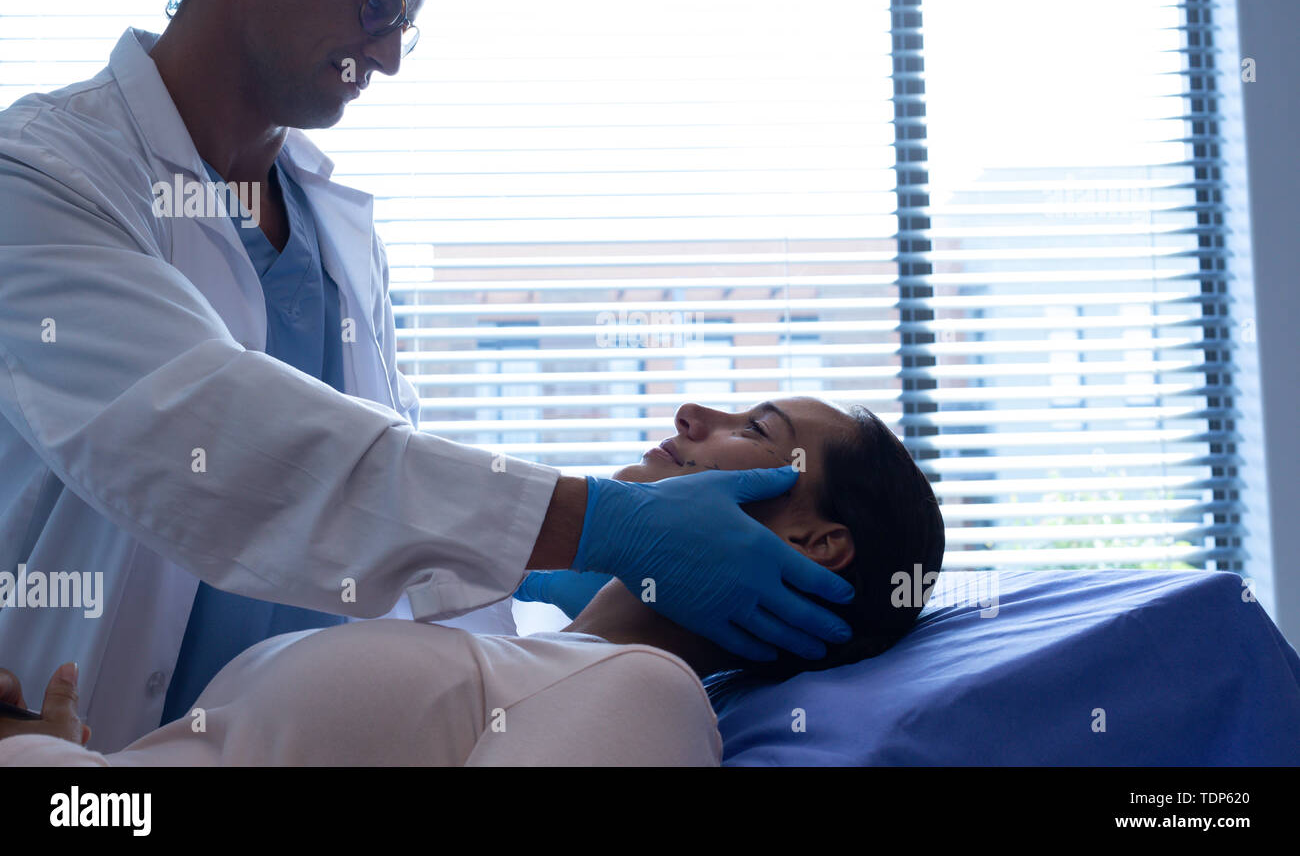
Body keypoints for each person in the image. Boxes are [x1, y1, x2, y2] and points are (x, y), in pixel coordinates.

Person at [0, 0, 854, 754]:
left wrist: (553, 579)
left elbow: (378, 496)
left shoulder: (336, 232)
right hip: (70, 722)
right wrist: (601, 521)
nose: (388, 56)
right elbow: (210, 434)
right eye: (377, 3)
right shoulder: (42, 173)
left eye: (406, 23)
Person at [0, 397, 945, 765]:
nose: (694, 412)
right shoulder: (527, 646)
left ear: (816, 545)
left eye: (757, 427)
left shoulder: (646, 694)